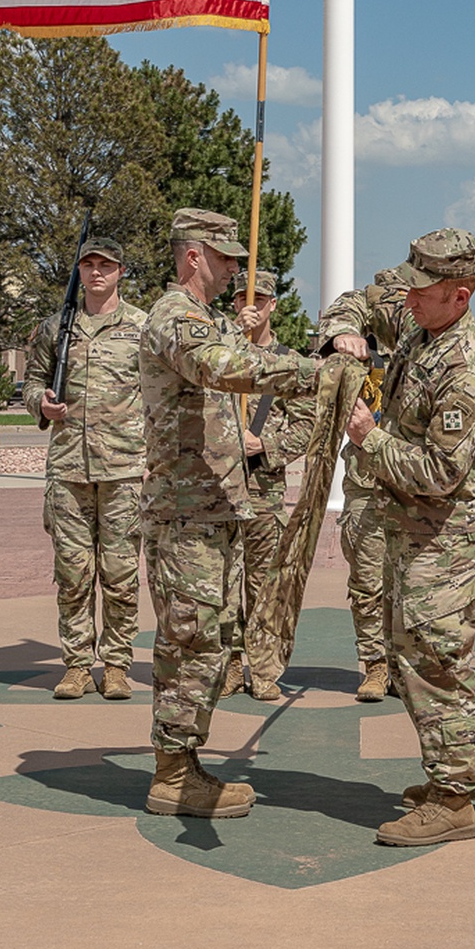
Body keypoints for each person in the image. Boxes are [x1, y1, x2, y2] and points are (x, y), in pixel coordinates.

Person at [139, 209, 318, 819]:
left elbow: (233, 359)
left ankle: (183, 761)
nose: (236, 270)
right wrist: (315, 373)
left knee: (210, 640)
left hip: (213, 507)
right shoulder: (174, 318)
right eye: (227, 259)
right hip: (186, 511)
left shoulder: (206, 320)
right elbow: (225, 368)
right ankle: (173, 774)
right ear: (195, 256)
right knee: (193, 642)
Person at [345, 229, 475, 847]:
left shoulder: (466, 370)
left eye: (422, 290)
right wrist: (344, 329)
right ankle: (463, 768)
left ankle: (452, 799)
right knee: (414, 653)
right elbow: (364, 301)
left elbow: (442, 474)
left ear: (460, 295)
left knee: (435, 663)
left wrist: (370, 437)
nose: (407, 299)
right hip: (411, 531)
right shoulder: (425, 330)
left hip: (443, 537)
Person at [23, 237, 146, 701]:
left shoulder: (142, 327)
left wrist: (154, 456)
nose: (96, 273)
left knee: (119, 574)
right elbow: (33, 382)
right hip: (69, 469)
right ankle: (76, 664)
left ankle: (116, 665)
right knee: (73, 573)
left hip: (124, 468)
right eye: (88, 264)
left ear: (121, 272)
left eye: (106, 265)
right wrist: (42, 402)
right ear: (78, 271)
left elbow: (158, 393)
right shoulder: (57, 328)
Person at [317, 269, 411, 702]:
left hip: (413, 480)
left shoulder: (429, 339)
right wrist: (342, 335)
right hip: (366, 481)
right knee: (368, 581)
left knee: (412, 583)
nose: (393, 305)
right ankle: (374, 665)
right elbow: (340, 311)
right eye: (385, 299)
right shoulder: (364, 336)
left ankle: (405, 664)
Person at [222, 269, 315, 697]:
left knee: (262, 584)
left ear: (273, 305)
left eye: (259, 299)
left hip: (263, 488)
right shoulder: (218, 356)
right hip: (219, 488)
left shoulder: (287, 362)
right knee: (221, 582)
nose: (250, 306)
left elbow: (308, 424)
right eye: (242, 298)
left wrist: (266, 444)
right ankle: (226, 664)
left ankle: (262, 669)